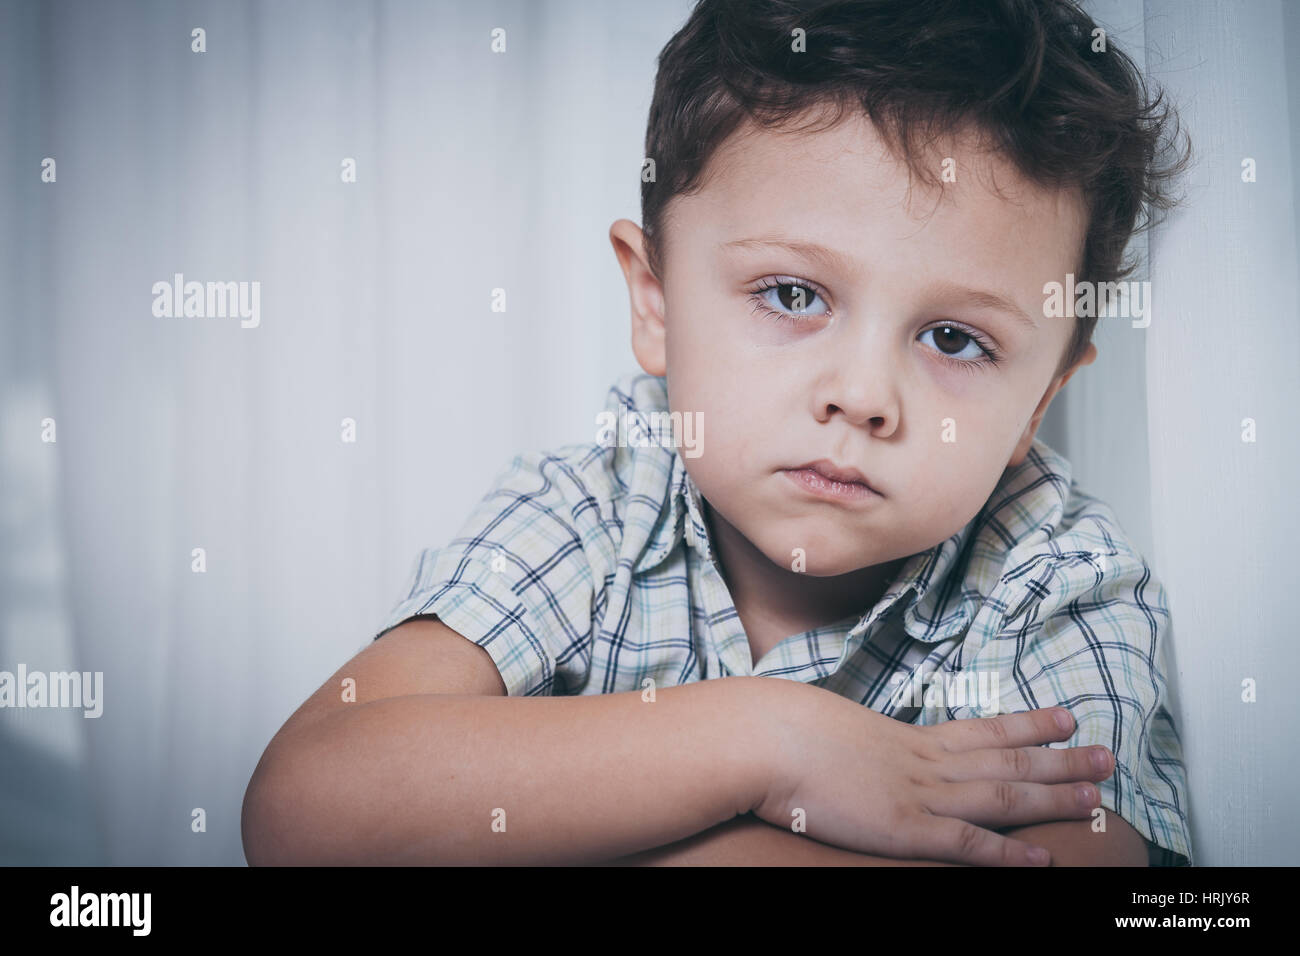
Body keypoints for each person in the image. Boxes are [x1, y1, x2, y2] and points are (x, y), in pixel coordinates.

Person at [242, 0, 1192, 867]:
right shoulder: (594, 510)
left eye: (955, 338)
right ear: (654, 303)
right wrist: (770, 744)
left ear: (1037, 403)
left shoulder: (1053, 574)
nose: (862, 396)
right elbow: (306, 808)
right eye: (792, 294)